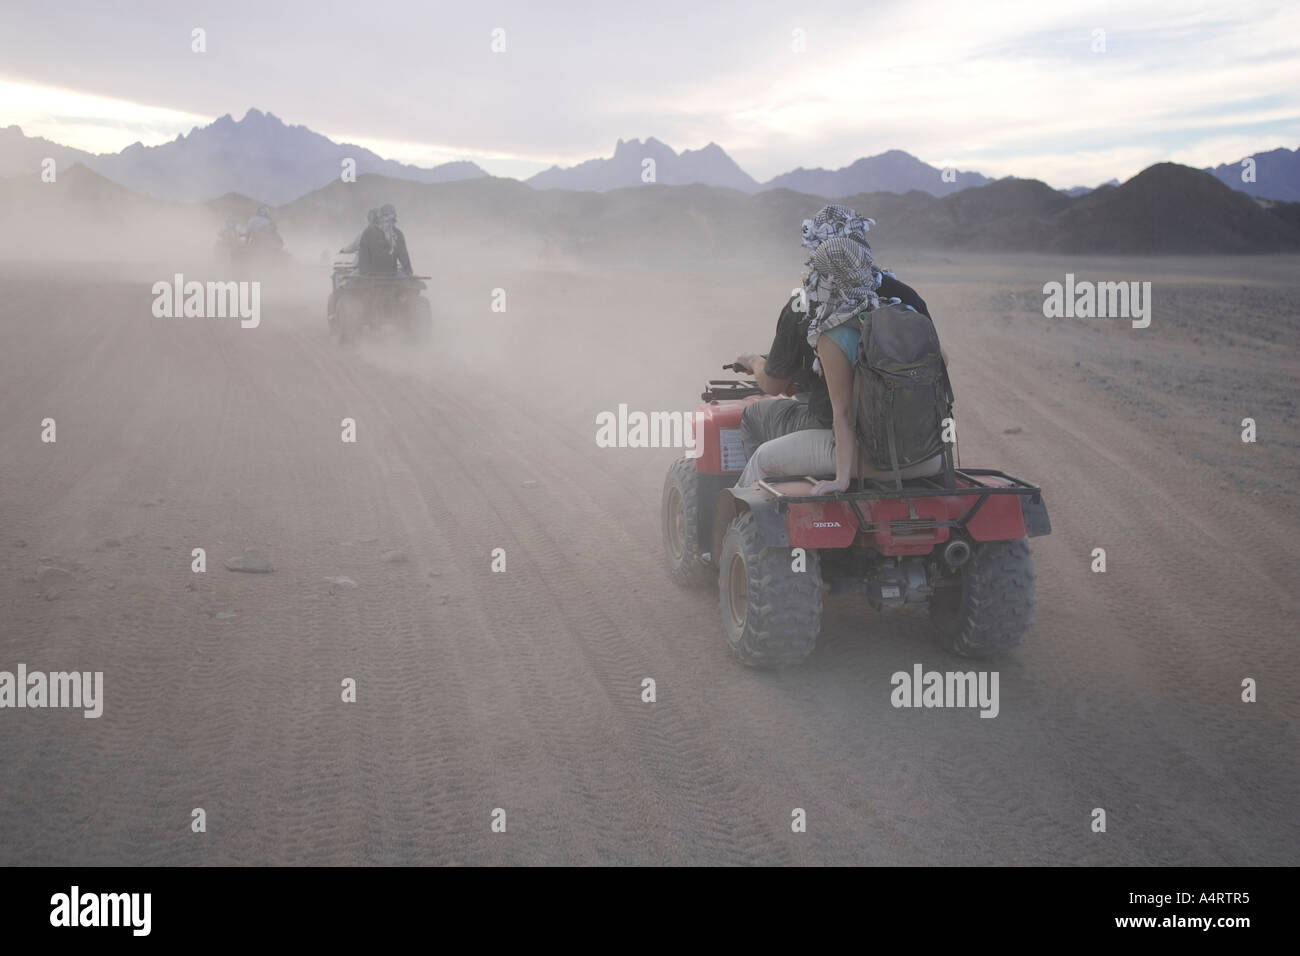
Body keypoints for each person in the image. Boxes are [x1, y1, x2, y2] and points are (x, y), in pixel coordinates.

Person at [734, 234, 944, 494]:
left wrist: (841, 480)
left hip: (874, 460)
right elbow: (941, 370)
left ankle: (737, 521)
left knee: (762, 459)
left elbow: (843, 415)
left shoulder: (834, 334)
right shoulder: (907, 315)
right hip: (930, 458)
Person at [357, 203, 412, 276]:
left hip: (391, 274)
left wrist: (409, 272)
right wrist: (364, 274)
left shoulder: (398, 234)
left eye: (391, 221)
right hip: (372, 274)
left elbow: (404, 256)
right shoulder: (369, 233)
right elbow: (363, 256)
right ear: (380, 220)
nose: (389, 224)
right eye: (386, 220)